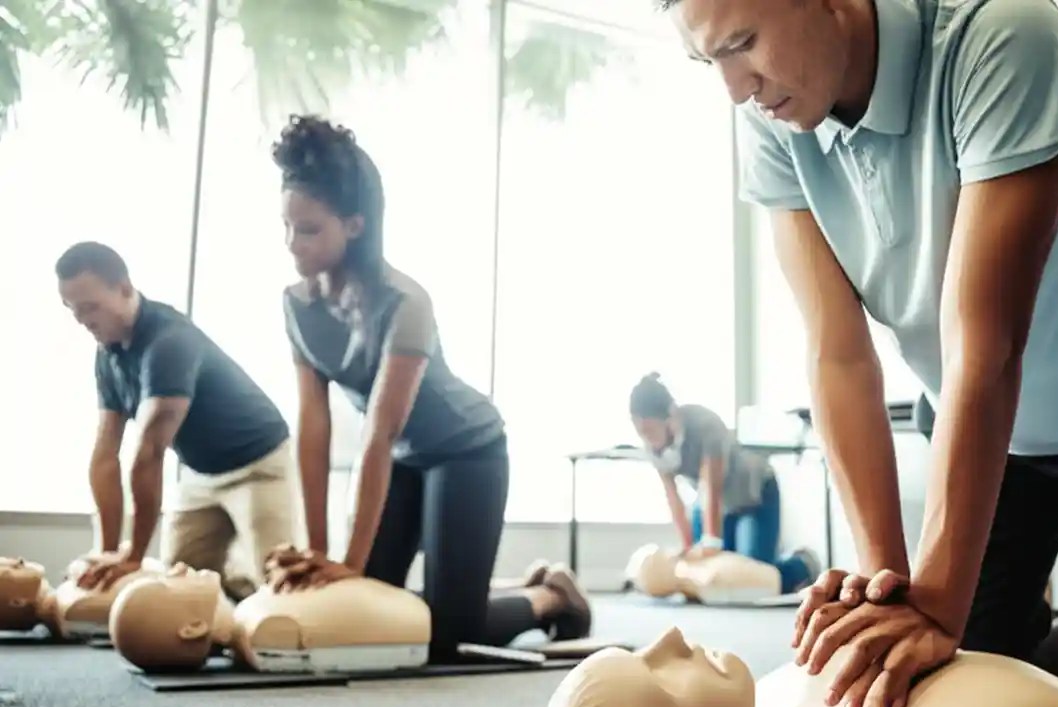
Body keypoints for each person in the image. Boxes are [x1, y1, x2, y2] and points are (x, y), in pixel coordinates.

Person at [655, 0, 1058, 707]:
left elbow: (985, 341)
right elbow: (838, 354)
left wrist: (938, 604)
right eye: (709, 61)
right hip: (989, 437)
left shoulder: (1003, 33)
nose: (735, 89)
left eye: (743, 43)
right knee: (933, 692)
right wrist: (885, 587)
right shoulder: (770, 114)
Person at [271, 114, 590, 659]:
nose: (292, 244)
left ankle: (551, 597)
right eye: (286, 226)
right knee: (374, 612)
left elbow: (377, 432)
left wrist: (347, 564)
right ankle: (494, 586)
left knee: (448, 634)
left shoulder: (405, 302)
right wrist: (319, 553)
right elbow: (314, 432)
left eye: (308, 230)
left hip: (466, 451)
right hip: (403, 460)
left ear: (354, 225)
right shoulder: (296, 305)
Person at [56, 243, 299, 601]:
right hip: (199, 475)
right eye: (72, 310)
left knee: (281, 582)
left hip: (258, 464)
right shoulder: (107, 354)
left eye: (90, 307)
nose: (83, 320)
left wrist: (134, 557)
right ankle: (237, 582)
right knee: (182, 586)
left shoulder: (169, 341)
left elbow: (149, 452)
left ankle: (253, 580)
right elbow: (106, 454)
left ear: (124, 289)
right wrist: (108, 552)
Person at [629, 373, 819, 594]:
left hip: (754, 493)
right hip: (716, 503)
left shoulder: (704, 424)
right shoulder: (651, 447)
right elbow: (674, 500)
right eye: (642, 432)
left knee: (753, 576)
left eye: (651, 430)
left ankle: (803, 565)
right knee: (710, 574)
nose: (648, 438)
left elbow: (712, 486)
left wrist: (710, 542)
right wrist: (689, 548)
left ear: (670, 416)